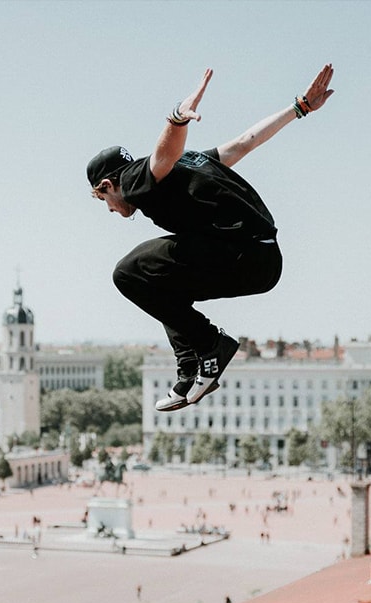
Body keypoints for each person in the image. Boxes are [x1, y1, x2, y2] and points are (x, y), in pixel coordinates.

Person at [87, 65, 335, 411]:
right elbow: (245, 143)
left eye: (104, 200)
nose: (111, 209)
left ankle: (211, 346)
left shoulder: (132, 181)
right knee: (159, 283)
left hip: (243, 254)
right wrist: (300, 107)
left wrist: (177, 119)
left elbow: (162, 155)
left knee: (128, 272)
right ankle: (191, 366)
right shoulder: (191, 162)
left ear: (107, 185)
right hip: (261, 261)